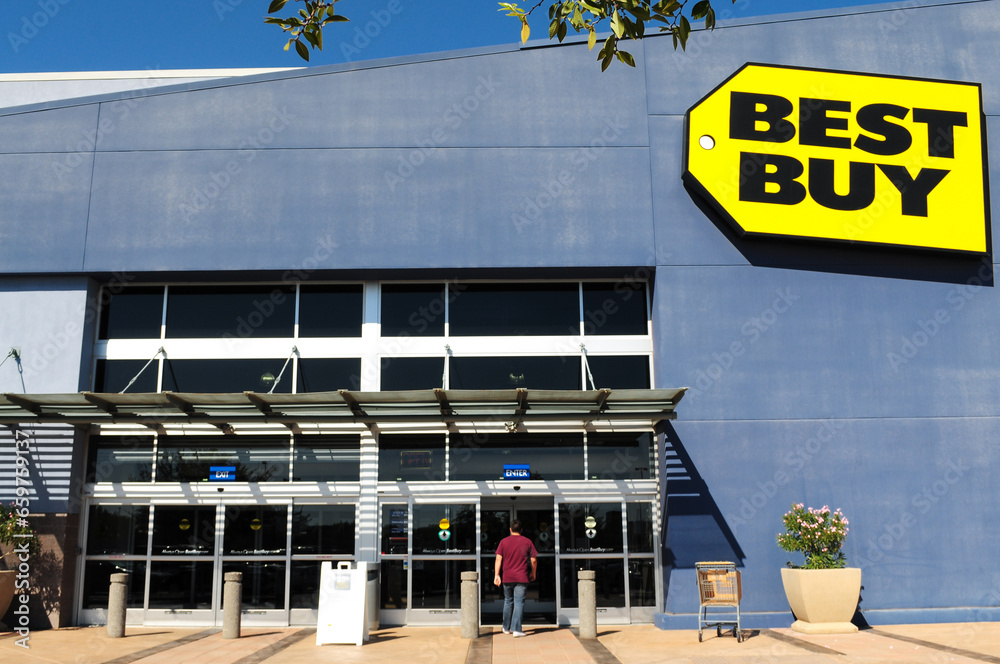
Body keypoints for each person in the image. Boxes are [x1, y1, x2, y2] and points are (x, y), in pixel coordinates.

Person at [493, 519, 538, 637]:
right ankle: (516, 629)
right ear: (521, 530)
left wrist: (497, 575)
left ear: (510, 529)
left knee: (508, 601)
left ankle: (506, 627)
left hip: (507, 577)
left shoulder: (503, 542)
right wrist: (533, 572)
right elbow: (533, 559)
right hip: (521, 577)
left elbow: (498, 559)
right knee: (519, 602)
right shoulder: (527, 542)